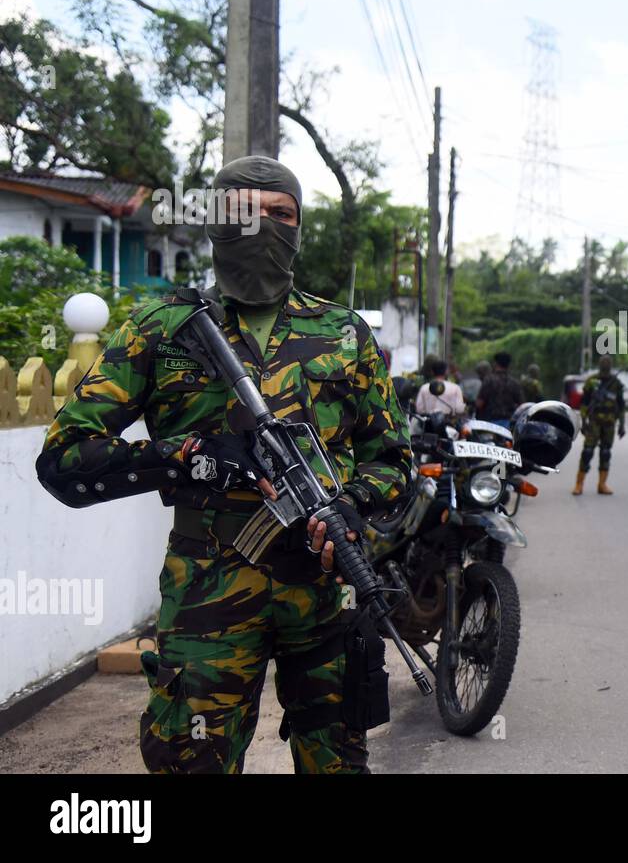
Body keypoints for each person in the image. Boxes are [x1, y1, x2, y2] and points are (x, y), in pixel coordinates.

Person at [35, 155, 412, 774]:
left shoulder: (344, 334)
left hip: (321, 595)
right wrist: (189, 458)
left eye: (281, 214)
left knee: (338, 766)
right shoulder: (162, 330)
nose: (265, 227)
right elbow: (64, 460)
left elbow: (392, 463)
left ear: (299, 227)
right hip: (206, 599)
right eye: (245, 214)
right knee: (193, 764)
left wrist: (350, 503)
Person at [572, 354, 626, 496]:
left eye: (608, 362)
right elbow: (584, 403)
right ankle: (579, 484)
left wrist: (622, 425)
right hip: (594, 423)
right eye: (604, 362)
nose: (606, 364)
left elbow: (621, 405)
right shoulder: (592, 381)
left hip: (609, 423)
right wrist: (583, 422)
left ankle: (602, 484)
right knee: (587, 452)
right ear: (599, 364)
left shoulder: (616, 384)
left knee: (606, 452)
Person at [476, 351, 525, 429]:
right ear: (508, 365)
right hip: (509, 423)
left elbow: (479, 404)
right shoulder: (514, 383)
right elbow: (521, 406)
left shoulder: (488, 380)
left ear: (496, 363)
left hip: (490, 424)